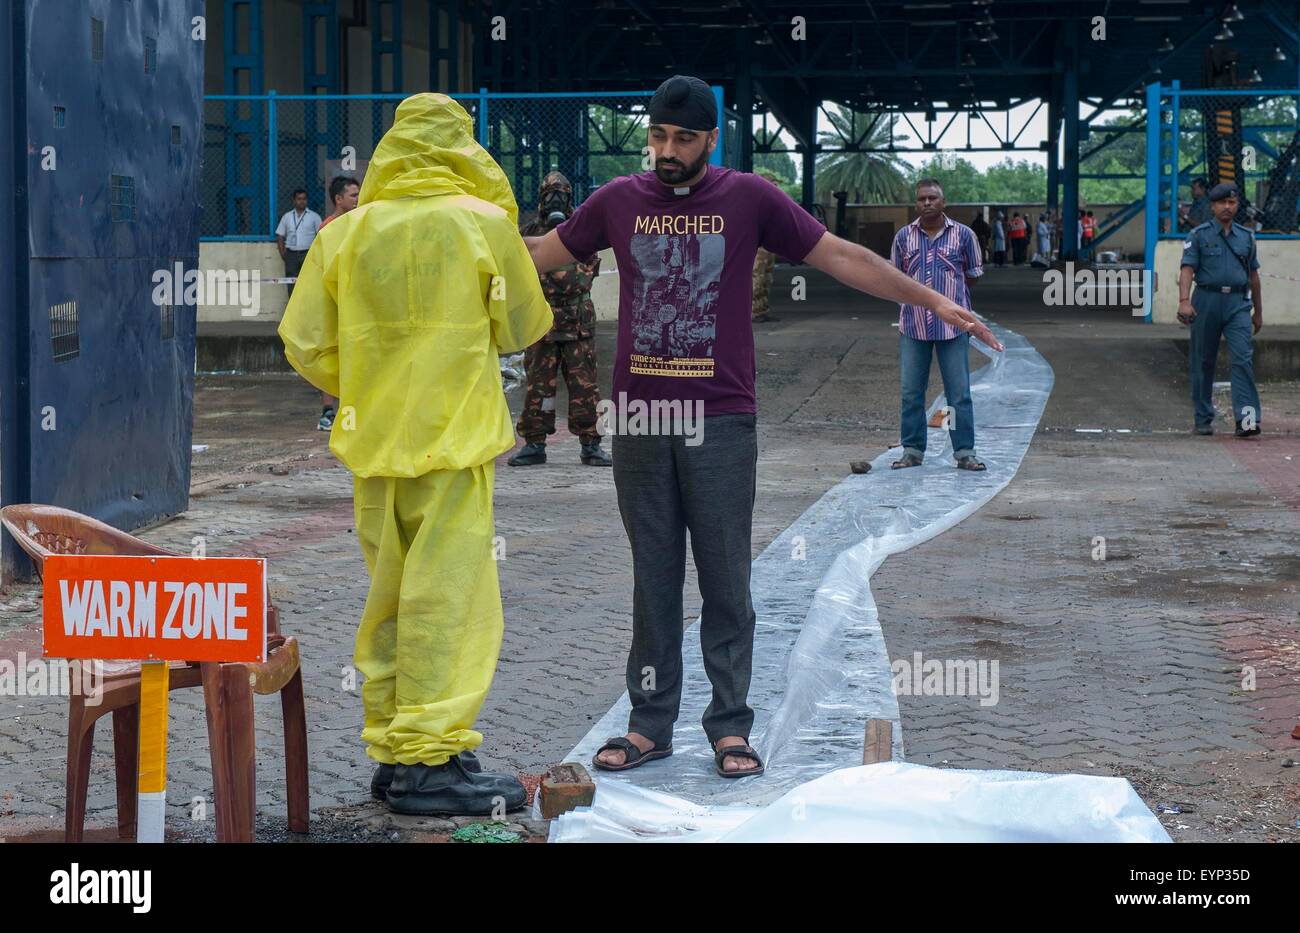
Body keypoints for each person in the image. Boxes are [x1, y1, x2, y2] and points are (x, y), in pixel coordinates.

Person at [522, 75, 1002, 779]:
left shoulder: (748, 198)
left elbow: (839, 254)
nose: (667, 151)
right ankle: (649, 724)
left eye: (683, 138)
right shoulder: (617, 201)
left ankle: (728, 726)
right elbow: (535, 254)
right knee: (652, 577)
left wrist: (933, 297)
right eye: (657, 136)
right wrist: (445, 218)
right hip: (641, 422)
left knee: (724, 578)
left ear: (711, 139)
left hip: (720, 417)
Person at [278, 93, 554, 815]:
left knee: (392, 597)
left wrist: (371, 379)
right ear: (462, 147)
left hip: (374, 445)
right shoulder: (484, 225)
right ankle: (430, 760)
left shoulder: (344, 234)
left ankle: (399, 749)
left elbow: (304, 341)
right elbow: (522, 324)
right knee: (450, 601)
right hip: (453, 441)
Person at [509, 170, 611, 467]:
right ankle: (534, 443)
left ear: (570, 198)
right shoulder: (529, 230)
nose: (556, 199)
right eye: (550, 194)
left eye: (561, 194)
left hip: (576, 322)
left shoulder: (580, 229)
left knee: (585, 386)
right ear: (541, 199)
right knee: (539, 386)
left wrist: (548, 272)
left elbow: (579, 277)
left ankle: (591, 443)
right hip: (541, 322)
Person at [890, 179, 986, 473]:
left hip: (953, 329)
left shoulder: (964, 235)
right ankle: (913, 450)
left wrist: (953, 301)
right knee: (911, 393)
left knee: (958, 394)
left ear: (944, 202)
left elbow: (973, 274)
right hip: (913, 325)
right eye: (922, 199)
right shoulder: (903, 237)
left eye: (933, 198)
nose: (927, 203)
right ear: (916, 204)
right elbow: (895, 279)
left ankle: (964, 452)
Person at [1177, 182, 1263, 437]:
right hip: (1206, 301)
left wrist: (1258, 311)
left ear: (1237, 205)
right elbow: (1187, 270)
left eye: (1232, 203)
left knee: (1242, 360)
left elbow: (1254, 276)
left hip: (1238, 304)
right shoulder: (1199, 235)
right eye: (1222, 203)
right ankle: (1203, 419)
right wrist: (1184, 300)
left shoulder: (1246, 238)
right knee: (1203, 361)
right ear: (1213, 206)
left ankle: (1246, 420)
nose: (1227, 207)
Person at [313, 175, 359, 430]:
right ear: (338, 199)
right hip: (334, 299)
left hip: (355, 299)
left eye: (358, 194)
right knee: (331, 354)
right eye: (352, 195)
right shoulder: (327, 228)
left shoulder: (361, 222)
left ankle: (351, 408)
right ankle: (328, 411)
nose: (357, 199)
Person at [275, 188, 321, 299]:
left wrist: (316, 254)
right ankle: (292, 308)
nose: (302, 201)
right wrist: (283, 253)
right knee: (291, 283)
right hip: (291, 254)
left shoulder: (314, 217)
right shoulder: (287, 217)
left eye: (304, 199)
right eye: (299, 199)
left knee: (308, 281)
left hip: (307, 254)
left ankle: (307, 307)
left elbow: (320, 235)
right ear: (294, 201)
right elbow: (280, 235)